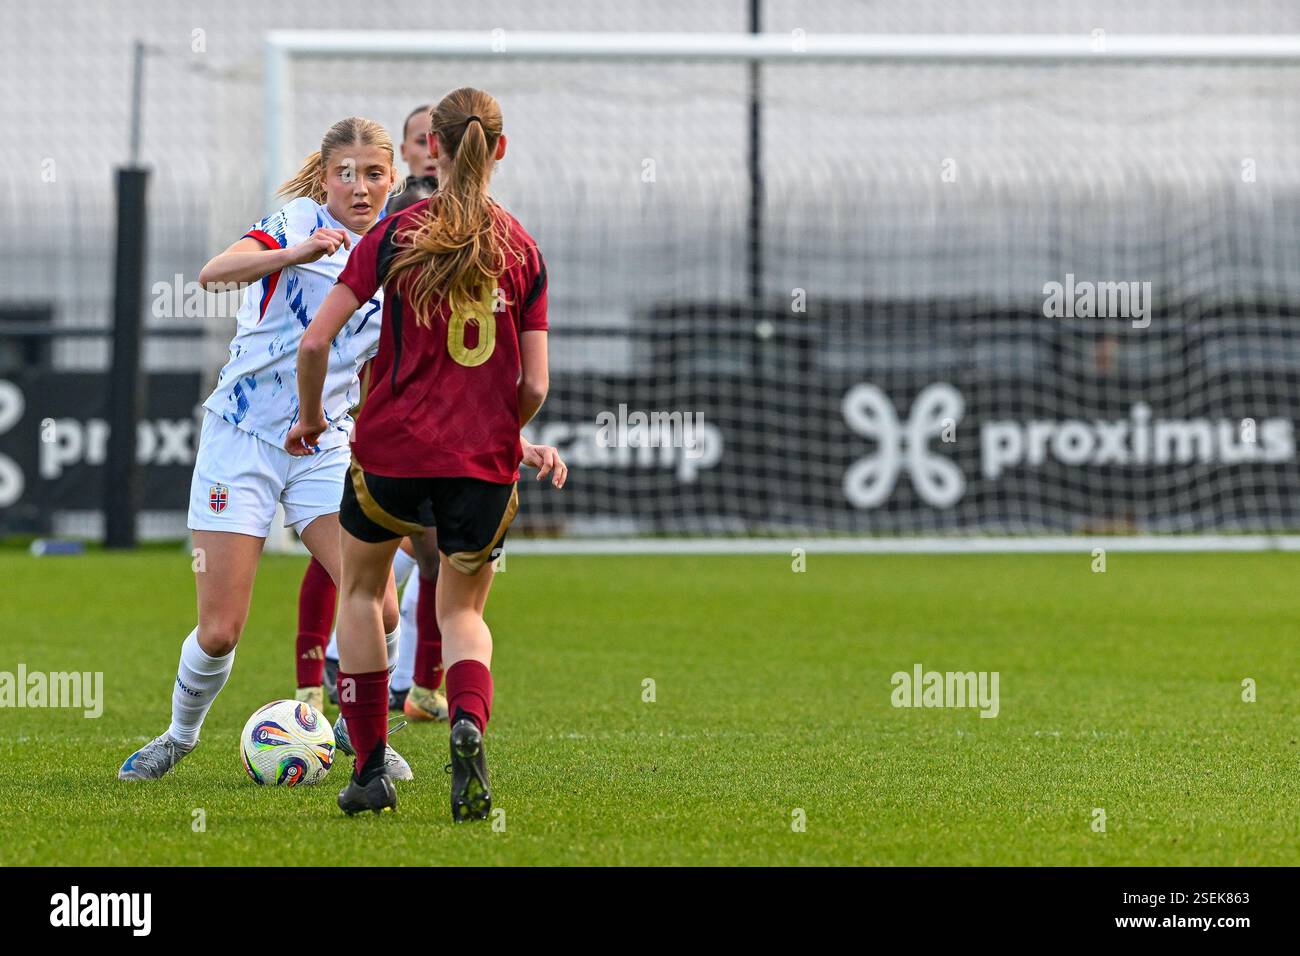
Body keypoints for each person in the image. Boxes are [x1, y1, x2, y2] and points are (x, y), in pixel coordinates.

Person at [287, 87, 565, 819]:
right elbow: (534, 382)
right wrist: (501, 428)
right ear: (498, 149)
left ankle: (371, 768)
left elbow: (316, 341)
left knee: (358, 593)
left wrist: (312, 418)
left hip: (390, 457)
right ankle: (466, 723)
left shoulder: (398, 232)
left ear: (430, 148)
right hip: (482, 465)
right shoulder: (524, 248)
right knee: (464, 611)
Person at [119, 117, 415, 782]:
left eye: (374, 174)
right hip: (244, 437)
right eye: (348, 173)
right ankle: (179, 736)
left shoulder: (399, 255)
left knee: (381, 602)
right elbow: (213, 273)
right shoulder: (296, 222)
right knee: (221, 629)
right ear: (328, 177)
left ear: (391, 180)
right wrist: (294, 254)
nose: (360, 187)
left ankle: (361, 731)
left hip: (321, 444)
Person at [300, 105, 441, 717]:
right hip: (367, 425)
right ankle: (317, 671)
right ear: (404, 157)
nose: (435, 150)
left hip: (425, 420)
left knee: (431, 554)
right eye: (422, 140)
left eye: (446, 140)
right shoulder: (369, 233)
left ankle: (420, 687)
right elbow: (317, 341)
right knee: (345, 546)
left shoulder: (458, 231)